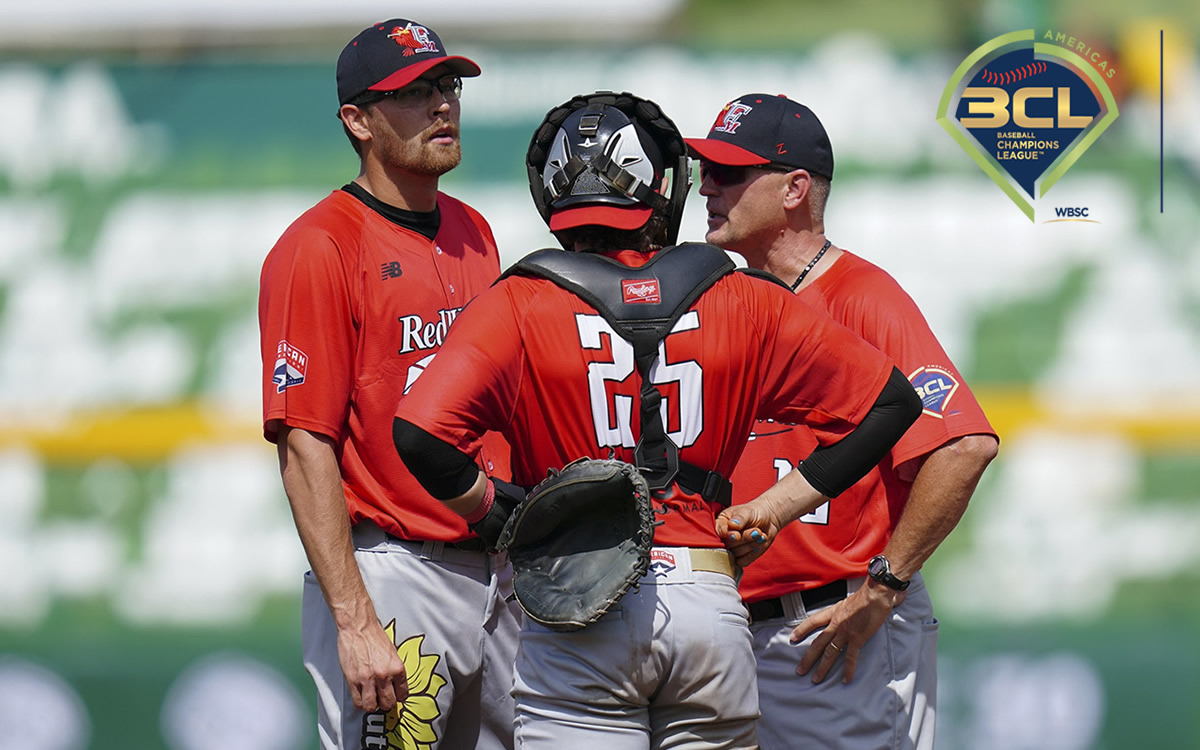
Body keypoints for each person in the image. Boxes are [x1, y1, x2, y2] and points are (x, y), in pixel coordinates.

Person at [392, 90, 922, 750]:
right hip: (706, 599)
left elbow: (418, 434)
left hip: (578, 596)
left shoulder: (517, 302)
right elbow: (891, 404)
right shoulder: (742, 296)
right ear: (659, 189)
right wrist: (774, 508)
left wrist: (492, 511)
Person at [685, 93, 1000, 750]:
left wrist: (885, 585)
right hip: (729, 628)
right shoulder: (726, 302)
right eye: (705, 171)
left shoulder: (862, 296)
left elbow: (963, 446)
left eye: (729, 172)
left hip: (830, 630)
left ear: (795, 188)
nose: (707, 187)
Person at [258, 19, 518, 750]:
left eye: (447, 85)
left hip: (499, 574)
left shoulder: (473, 230)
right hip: (397, 573)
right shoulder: (319, 246)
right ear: (358, 120)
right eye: (412, 92)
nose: (442, 105)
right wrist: (354, 620)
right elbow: (304, 444)